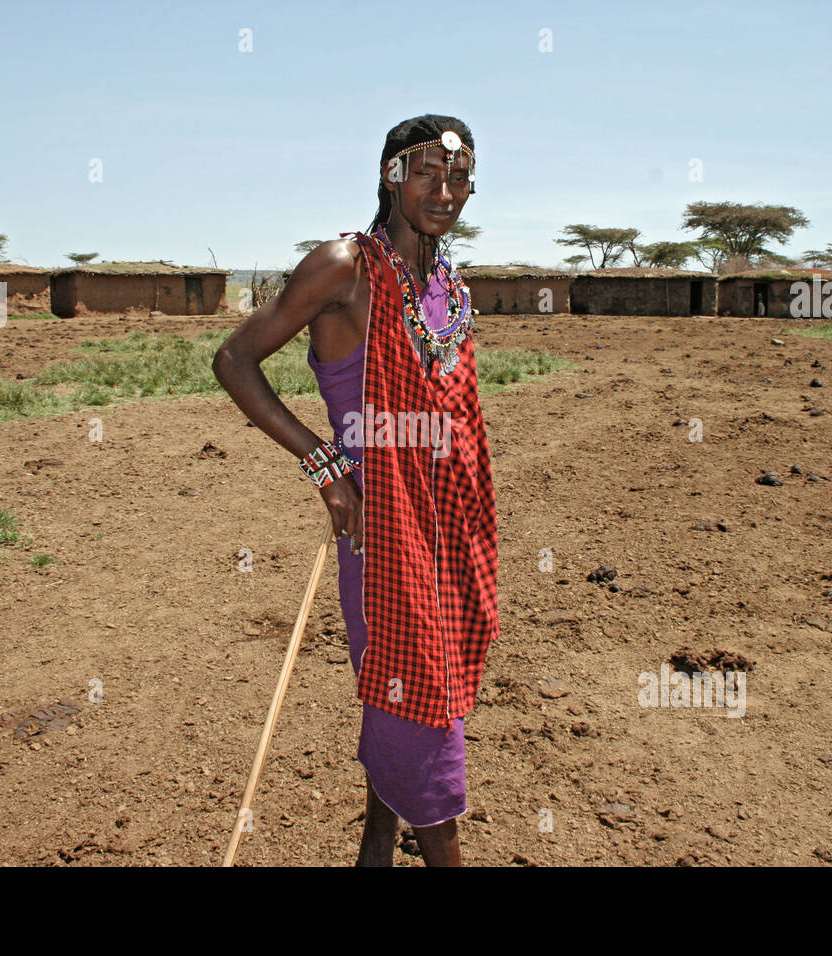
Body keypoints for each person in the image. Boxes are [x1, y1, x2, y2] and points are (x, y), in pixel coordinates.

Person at [212, 114, 498, 867]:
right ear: (390, 176)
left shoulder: (446, 286)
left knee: (405, 696)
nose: (445, 190)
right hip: (381, 537)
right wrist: (324, 466)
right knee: (422, 715)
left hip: (443, 532)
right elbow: (235, 359)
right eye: (428, 172)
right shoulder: (345, 267)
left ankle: (375, 850)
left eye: (460, 176)